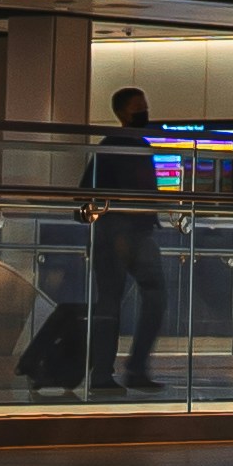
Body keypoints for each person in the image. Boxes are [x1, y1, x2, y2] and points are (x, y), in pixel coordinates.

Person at [83, 82, 171, 398]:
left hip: (138, 231)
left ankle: (125, 370)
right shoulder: (114, 147)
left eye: (144, 107)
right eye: (138, 108)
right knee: (117, 301)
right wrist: (117, 229)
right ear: (122, 113)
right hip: (118, 233)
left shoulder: (137, 145)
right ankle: (110, 372)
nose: (144, 112)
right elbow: (89, 193)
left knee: (136, 298)